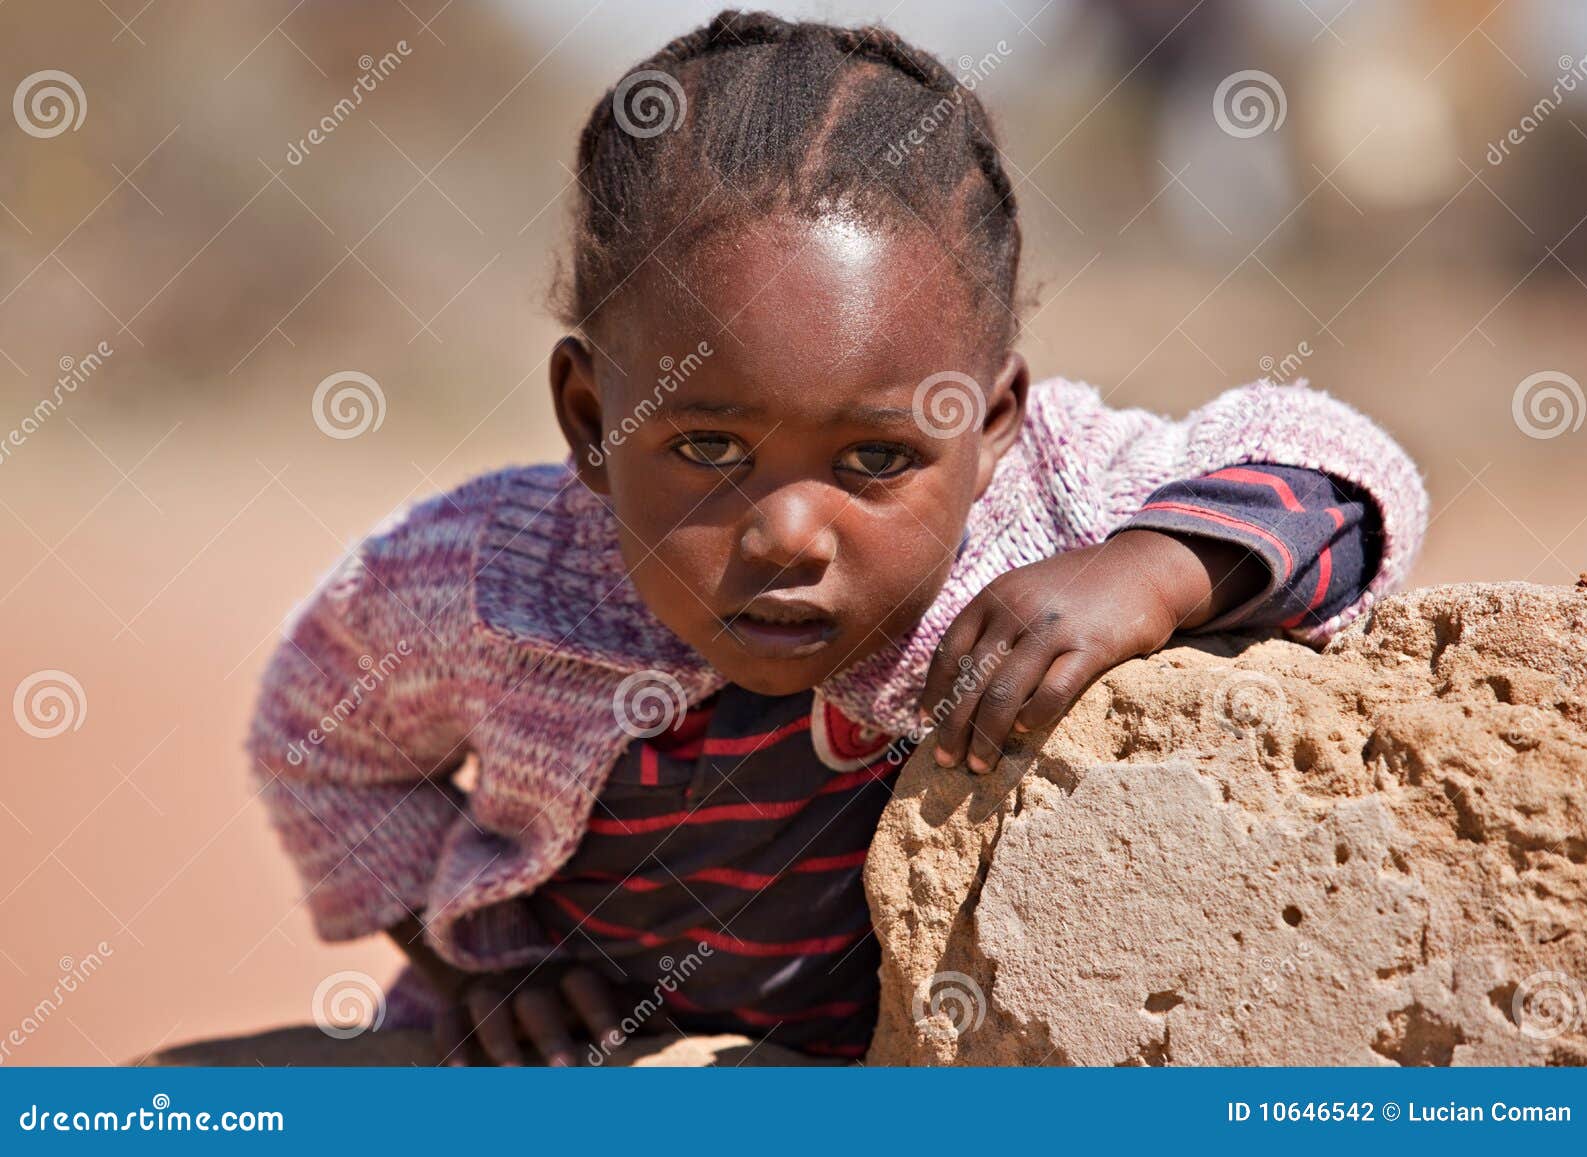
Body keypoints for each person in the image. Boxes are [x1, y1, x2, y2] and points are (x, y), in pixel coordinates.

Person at [246, 9, 1426, 1065]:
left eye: (873, 460)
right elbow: (313, 735)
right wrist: (481, 967)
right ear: (592, 421)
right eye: (708, 446)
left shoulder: (1051, 504)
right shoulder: (488, 578)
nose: (787, 532)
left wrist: (1157, 570)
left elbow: (1347, 464)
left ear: (993, 421)